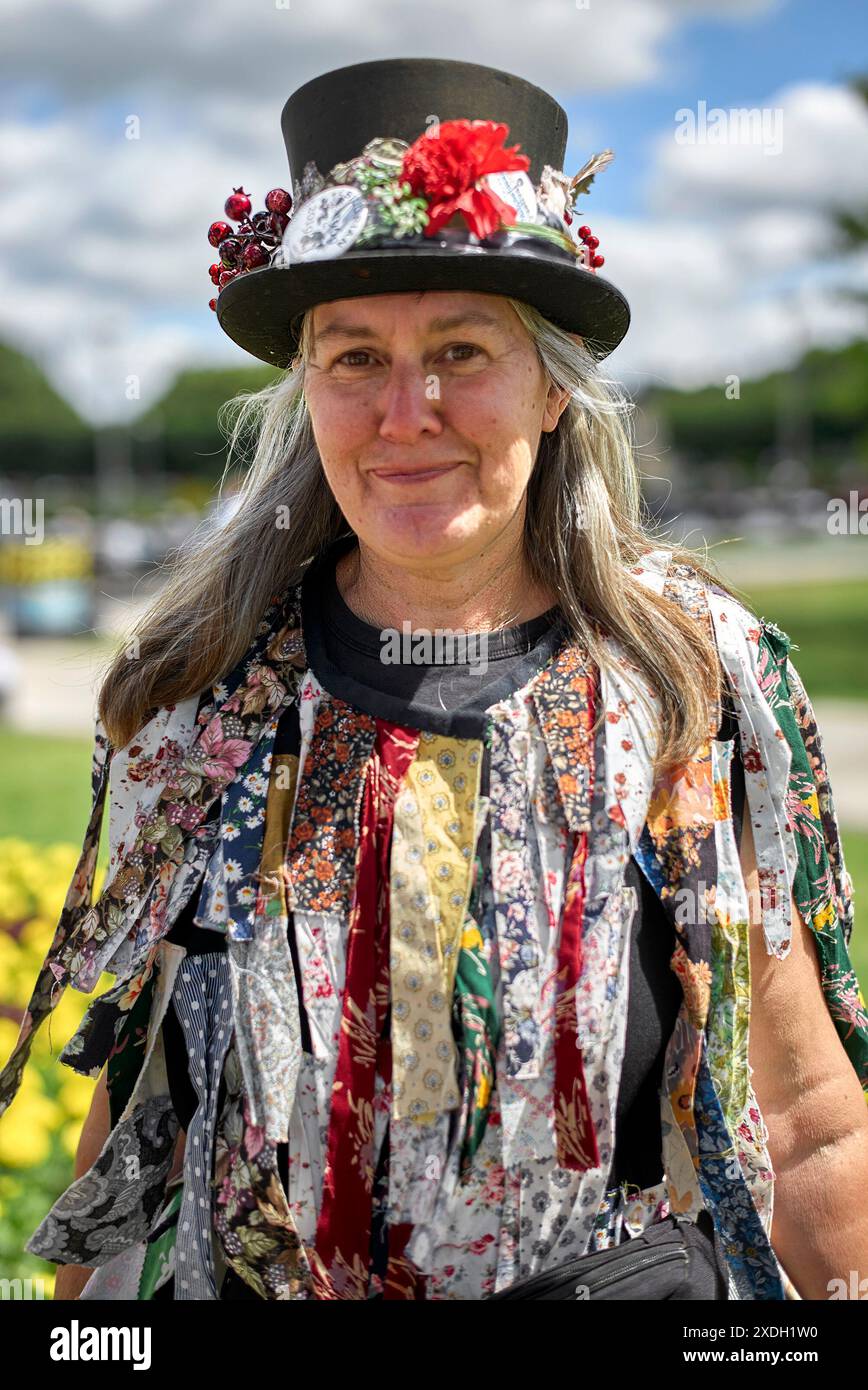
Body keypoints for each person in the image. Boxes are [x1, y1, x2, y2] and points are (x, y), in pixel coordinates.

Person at [2, 57, 866, 1302]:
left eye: (462, 349)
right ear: (307, 391)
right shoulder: (201, 700)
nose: (407, 411)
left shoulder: (693, 684)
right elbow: (150, 1106)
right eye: (355, 358)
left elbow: (805, 1123)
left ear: (555, 391)